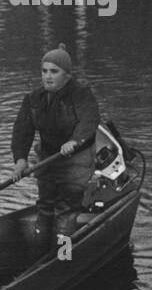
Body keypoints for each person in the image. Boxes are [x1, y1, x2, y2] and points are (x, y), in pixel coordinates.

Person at [10, 44, 101, 244]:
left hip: (76, 159)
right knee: (44, 207)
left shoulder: (80, 93)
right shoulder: (34, 99)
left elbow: (89, 121)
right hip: (48, 157)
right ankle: (41, 255)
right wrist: (20, 159)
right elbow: (22, 131)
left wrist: (74, 141)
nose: (48, 76)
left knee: (65, 211)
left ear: (67, 75)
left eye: (54, 71)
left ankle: (64, 257)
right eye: (44, 71)